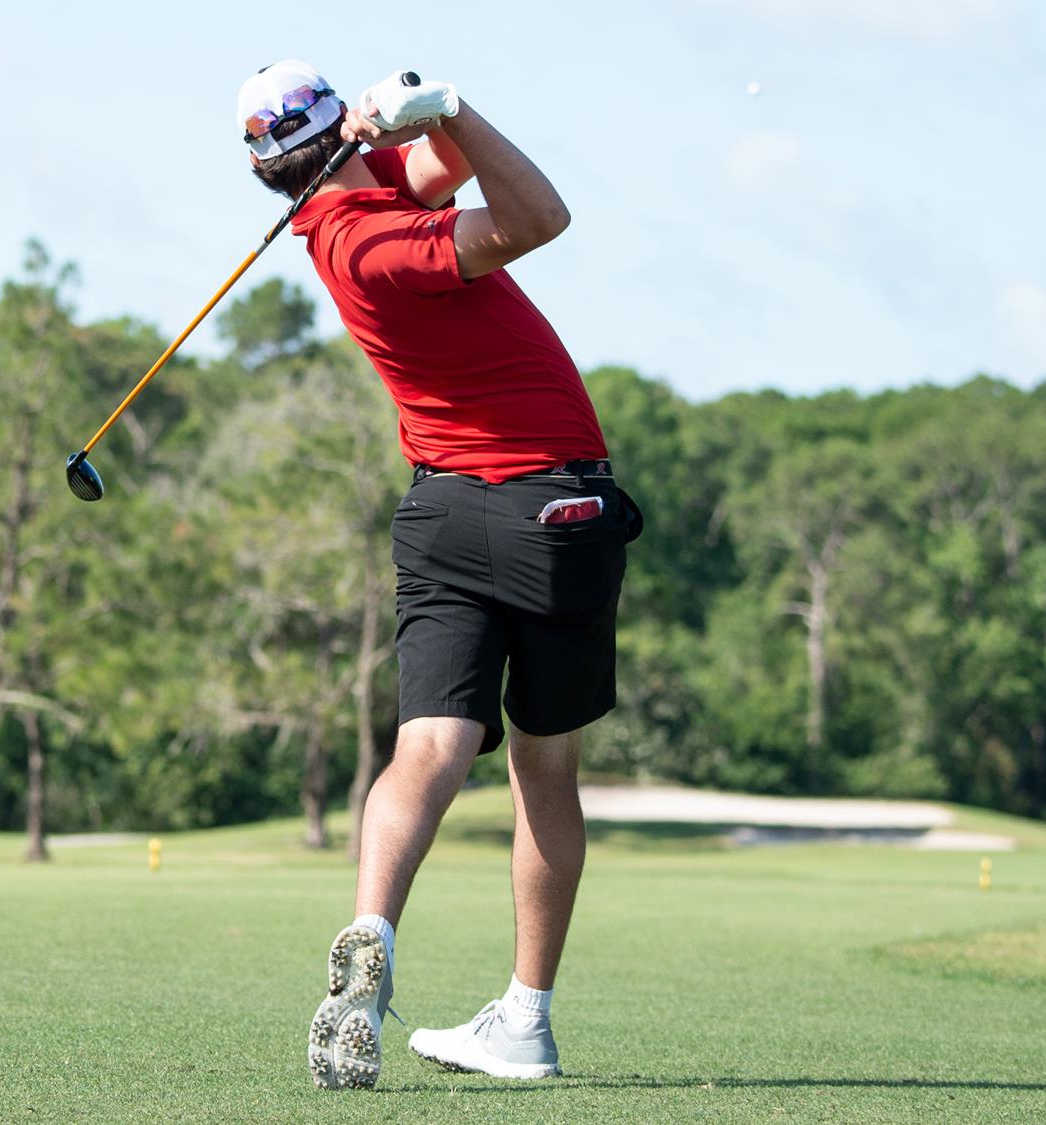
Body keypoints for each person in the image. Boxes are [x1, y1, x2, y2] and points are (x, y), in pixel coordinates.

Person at [237, 60, 640, 1089]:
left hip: (444, 515)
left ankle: (371, 930)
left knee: (428, 746)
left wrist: (410, 120)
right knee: (544, 770)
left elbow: (431, 168)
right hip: (550, 511)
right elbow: (539, 217)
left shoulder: (350, 206)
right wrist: (453, 107)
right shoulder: (375, 247)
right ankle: (525, 1021)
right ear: (333, 131)